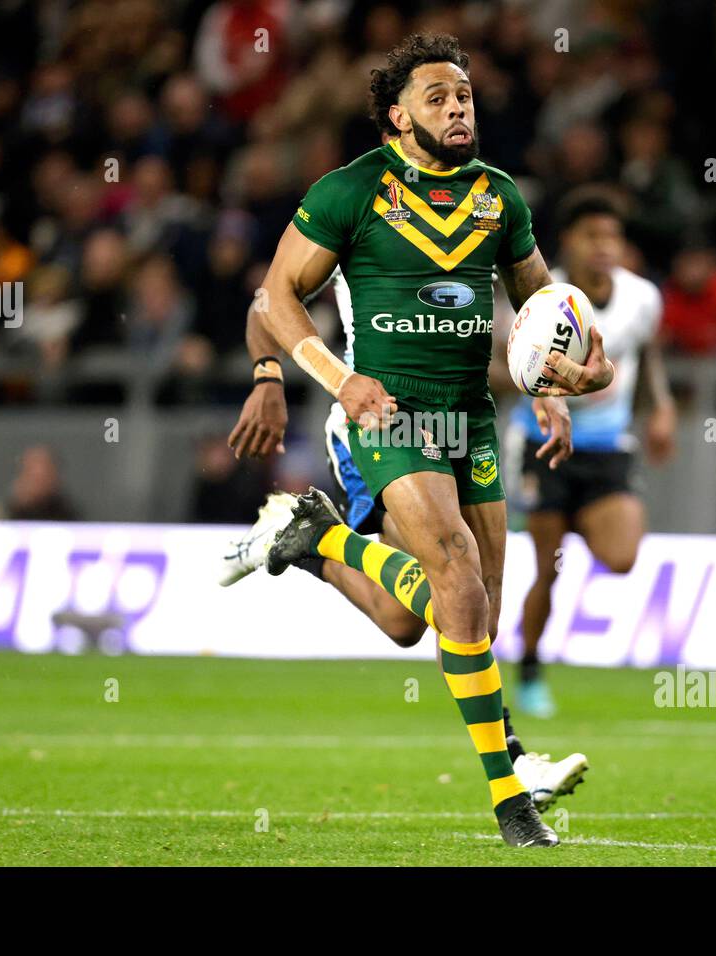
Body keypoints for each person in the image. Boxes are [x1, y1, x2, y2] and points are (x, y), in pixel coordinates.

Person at [219, 34, 614, 848]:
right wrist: (333, 379)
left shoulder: (499, 197)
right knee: (457, 580)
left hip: (468, 415)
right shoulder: (350, 191)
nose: (458, 107)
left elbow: (538, 297)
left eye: (464, 95)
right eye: (438, 97)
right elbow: (275, 293)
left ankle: (315, 536)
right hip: (382, 412)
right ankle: (512, 798)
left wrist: (562, 378)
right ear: (399, 116)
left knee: (441, 620)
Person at [509, 188, 677, 717]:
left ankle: (575, 515)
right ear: (569, 242)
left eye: (613, 236)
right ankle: (530, 670)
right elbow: (502, 364)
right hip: (544, 444)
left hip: (607, 447)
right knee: (548, 570)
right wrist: (548, 384)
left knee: (623, 556)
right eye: (592, 236)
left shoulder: (643, 297)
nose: (605, 246)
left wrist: (662, 408)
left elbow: (646, 355)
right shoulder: (544, 295)